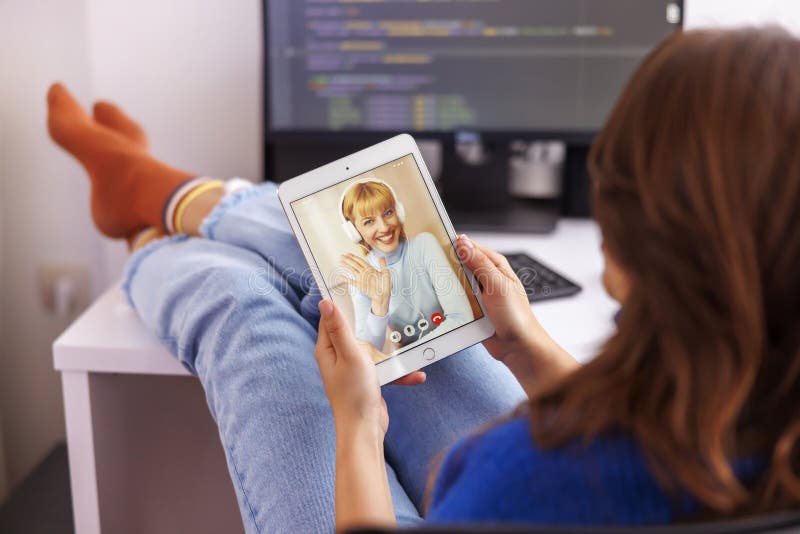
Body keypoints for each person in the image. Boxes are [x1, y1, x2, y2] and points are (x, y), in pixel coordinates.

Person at [46, 25, 800, 534]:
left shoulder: (521, 477)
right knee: (386, 295)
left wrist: (355, 429)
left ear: (632, 230)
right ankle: (159, 199)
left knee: (248, 314)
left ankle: (151, 223)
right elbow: (664, 443)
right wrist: (530, 347)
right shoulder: (766, 432)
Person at [338, 179, 474, 350]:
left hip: (454, 346)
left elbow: (462, 319)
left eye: (388, 213)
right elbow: (369, 351)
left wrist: (411, 353)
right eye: (369, 222)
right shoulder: (360, 272)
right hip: (413, 366)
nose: (384, 227)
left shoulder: (424, 244)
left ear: (399, 212)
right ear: (354, 232)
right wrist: (380, 303)